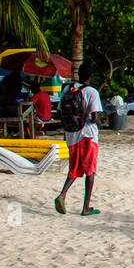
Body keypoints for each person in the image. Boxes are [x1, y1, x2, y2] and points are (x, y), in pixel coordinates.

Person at [55, 62, 103, 217]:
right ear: (91, 76)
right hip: (88, 135)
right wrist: (101, 123)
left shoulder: (67, 89)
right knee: (90, 171)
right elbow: (94, 117)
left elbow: (59, 112)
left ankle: (62, 195)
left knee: (74, 168)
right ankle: (86, 208)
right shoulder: (92, 92)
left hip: (71, 135)